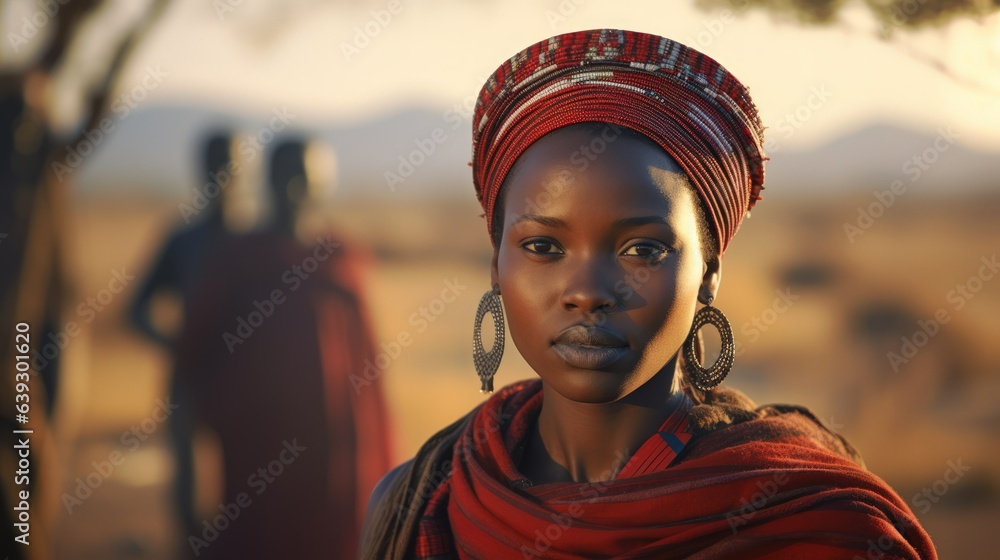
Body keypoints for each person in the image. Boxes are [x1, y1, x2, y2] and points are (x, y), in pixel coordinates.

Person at [360, 29, 937, 559]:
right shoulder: (423, 498)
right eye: (543, 247)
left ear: (709, 272)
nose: (587, 293)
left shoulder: (816, 527)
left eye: (642, 249)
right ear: (496, 266)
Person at [175, 138, 392, 559]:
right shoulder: (238, 261)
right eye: (286, 176)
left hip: (335, 453)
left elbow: (368, 373)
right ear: (268, 181)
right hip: (259, 452)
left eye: (305, 179)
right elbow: (195, 355)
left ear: (323, 185)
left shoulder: (341, 261)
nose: (295, 190)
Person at [128, 131, 235, 543]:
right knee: (188, 491)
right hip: (189, 379)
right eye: (216, 164)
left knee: (249, 482)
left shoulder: (257, 243)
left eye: (231, 164)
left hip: (246, 383)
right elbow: (136, 309)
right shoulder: (183, 240)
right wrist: (177, 343)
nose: (224, 174)